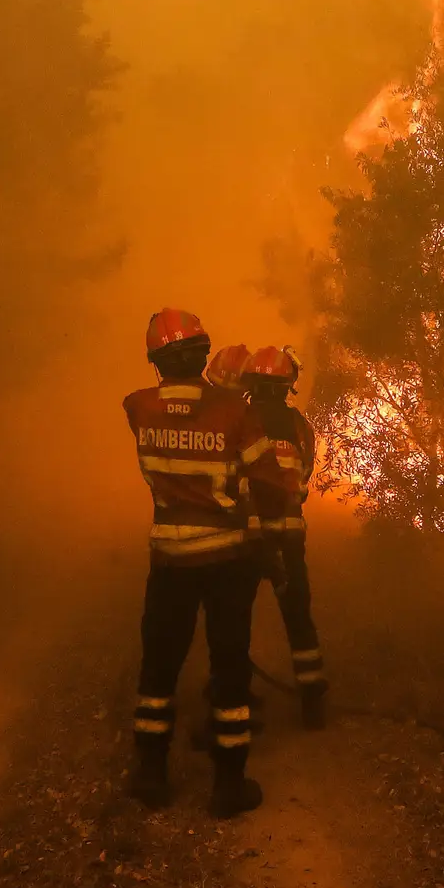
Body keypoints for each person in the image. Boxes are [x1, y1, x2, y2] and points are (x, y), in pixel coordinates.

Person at [123, 309, 300, 816]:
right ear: (203, 353)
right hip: (226, 558)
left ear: (155, 361)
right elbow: (271, 477)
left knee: (158, 667)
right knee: (229, 668)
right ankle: (228, 784)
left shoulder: (137, 407)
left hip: (169, 558)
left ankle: (151, 775)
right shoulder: (233, 412)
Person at [241, 345, 328, 729]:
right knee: (298, 617)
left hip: (247, 535)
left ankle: (235, 695)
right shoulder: (300, 426)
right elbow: (305, 474)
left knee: (235, 616)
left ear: (252, 384)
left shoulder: (239, 420)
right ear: (287, 385)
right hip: (290, 534)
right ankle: (312, 701)